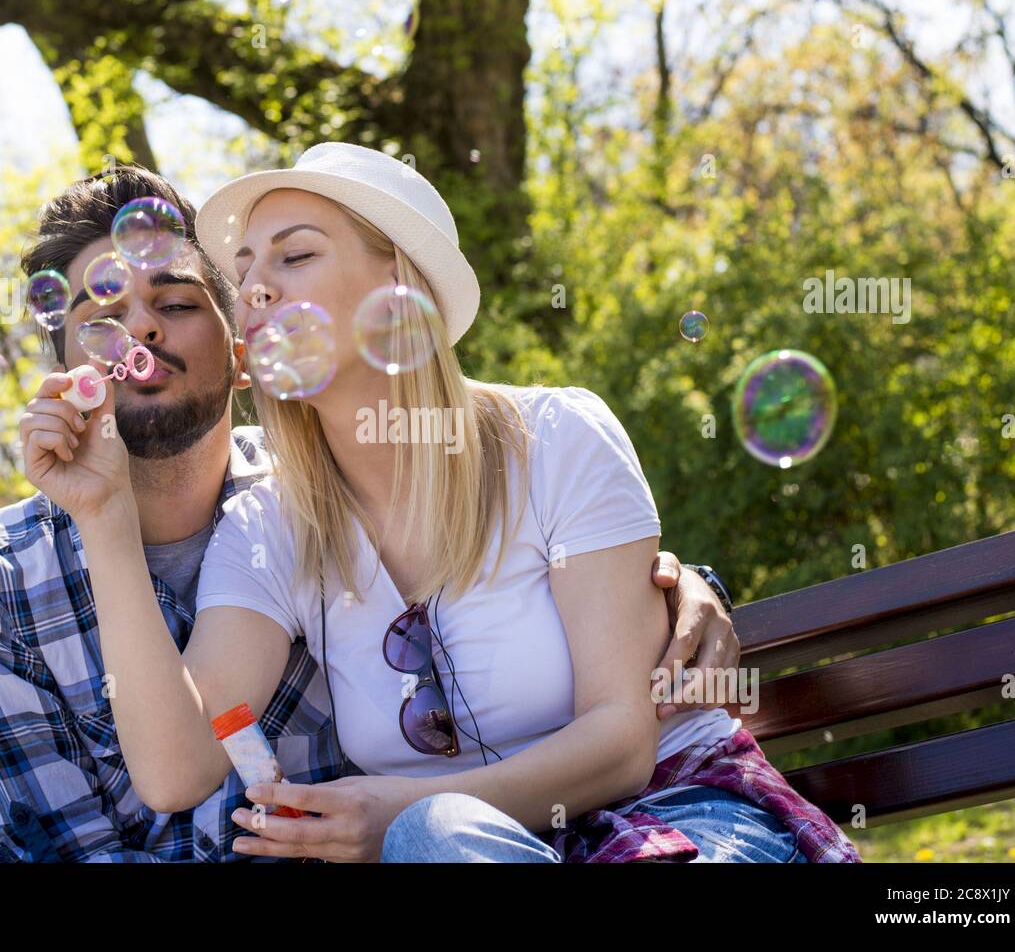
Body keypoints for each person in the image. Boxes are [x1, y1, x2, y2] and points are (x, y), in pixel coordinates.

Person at [0, 163, 738, 863]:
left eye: (177, 302)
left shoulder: (295, 500)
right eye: (103, 314)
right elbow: (120, 803)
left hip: (510, 835)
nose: (142, 331)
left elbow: (521, 564)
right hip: (439, 845)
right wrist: (104, 517)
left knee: (436, 837)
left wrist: (687, 584)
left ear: (239, 356)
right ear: (63, 364)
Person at [53, 143, 861, 862]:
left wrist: (403, 812)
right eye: (247, 267)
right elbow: (174, 768)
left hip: (671, 817)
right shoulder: (269, 527)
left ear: (401, 285)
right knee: (436, 835)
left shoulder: (556, 438)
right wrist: (104, 517)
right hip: (468, 850)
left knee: (431, 830)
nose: (255, 289)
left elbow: (621, 744)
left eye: (294, 256)